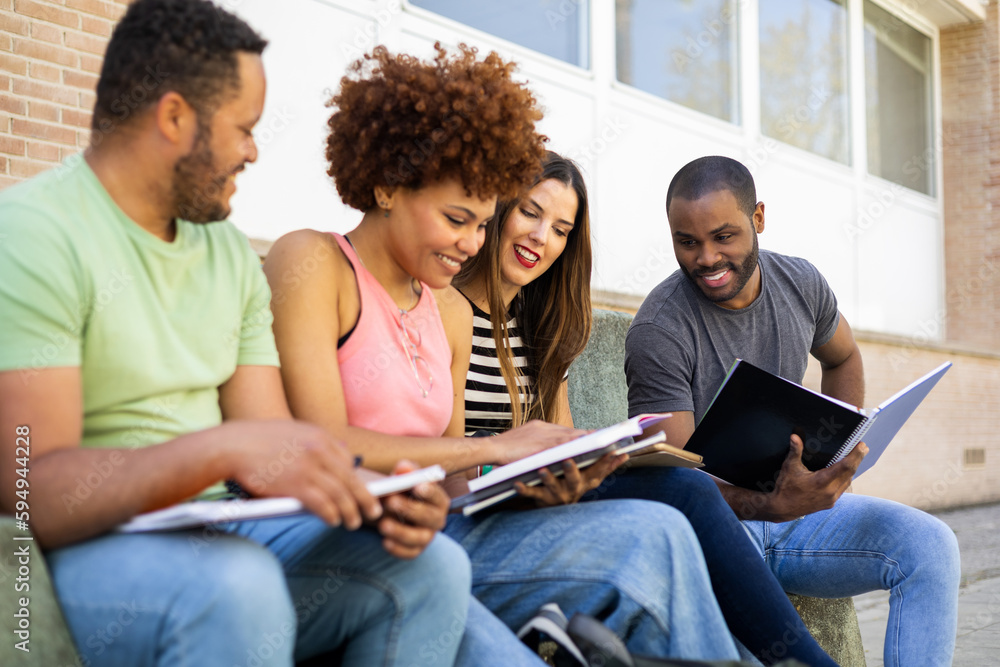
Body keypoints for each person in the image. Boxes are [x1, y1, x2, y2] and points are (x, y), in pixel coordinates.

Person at [0, 1, 473, 665]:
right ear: (173, 117)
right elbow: (31, 488)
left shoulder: (225, 252)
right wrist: (218, 452)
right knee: (237, 587)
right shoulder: (32, 233)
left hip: (216, 532)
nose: (254, 150)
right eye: (244, 128)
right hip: (70, 555)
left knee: (432, 567)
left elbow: (267, 440)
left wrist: (371, 499)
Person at [264, 44, 742, 663]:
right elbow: (322, 440)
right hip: (344, 544)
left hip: (441, 530)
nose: (471, 244)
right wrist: (497, 449)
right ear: (385, 185)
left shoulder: (443, 307)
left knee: (664, 529)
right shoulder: (311, 260)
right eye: (459, 219)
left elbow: (456, 483)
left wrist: (533, 485)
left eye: (483, 224)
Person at [451, 151, 838, 666]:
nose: (541, 238)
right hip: (475, 506)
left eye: (562, 229)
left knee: (677, 488)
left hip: (525, 497)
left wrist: (583, 463)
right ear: (497, 210)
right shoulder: (443, 309)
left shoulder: (545, 328)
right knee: (687, 489)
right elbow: (452, 465)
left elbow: (560, 444)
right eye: (530, 213)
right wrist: (505, 460)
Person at [624, 155, 962, 667]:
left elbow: (843, 355)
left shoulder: (801, 283)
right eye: (686, 242)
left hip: (800, 518)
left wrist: (836, 447)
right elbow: (676, 487)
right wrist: (773, 505)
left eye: (724, 236)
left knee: (931, 546)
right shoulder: (660, 330)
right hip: (718, 528)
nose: (707, 259)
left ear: (758, 218)